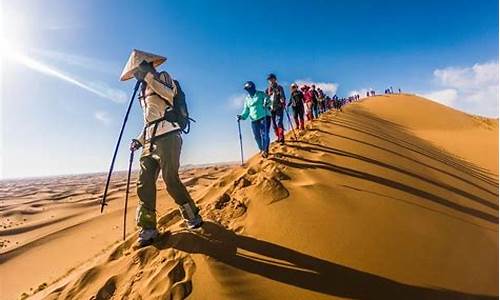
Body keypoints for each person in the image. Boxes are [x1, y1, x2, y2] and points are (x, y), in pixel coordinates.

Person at [120, 49, 203, 248]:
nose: (136, 75)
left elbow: (170, 93)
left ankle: (192, 217)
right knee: (144, 182)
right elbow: (150, 121)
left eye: (137, 70)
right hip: (150, 140)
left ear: (146, 65)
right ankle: (148, 229)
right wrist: (139, 140)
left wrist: (148, 77)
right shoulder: (142, 91)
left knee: (170, 179)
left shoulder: (162, 77)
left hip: (169, 137)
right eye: (135, 72)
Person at [238, 81, 272, 158]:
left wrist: (266, 102)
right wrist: (241, 116)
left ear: (253, 87)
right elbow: (246, 111)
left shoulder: (261, 94)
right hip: (254, 119)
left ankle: (265, 151)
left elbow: (269, 100)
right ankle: (261, 149)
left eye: (249, 88)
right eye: (247, 89)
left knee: (265, 134)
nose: (248, 90)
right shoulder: (247, 99)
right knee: (257, 136)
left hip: (264, 116)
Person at [266, 73, 286, 144]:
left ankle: (281, 137)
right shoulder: (267, 89)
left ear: (275, 79)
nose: (270, 80)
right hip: (271, 109)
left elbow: (282, 96)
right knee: (274, 124)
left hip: (279, 107)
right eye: (269, 79)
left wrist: (283, 100)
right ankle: (278, 136)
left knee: (279, 122)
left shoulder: (279, 87)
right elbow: (266, 99)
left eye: (271, 79)